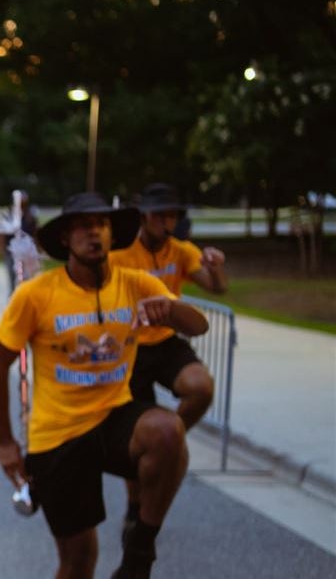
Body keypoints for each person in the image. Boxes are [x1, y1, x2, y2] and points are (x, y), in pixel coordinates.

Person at [0, 192, 208, 579]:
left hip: (113, 416)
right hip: (59, 434)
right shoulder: (36, 294)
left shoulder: (134, 283)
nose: (94, 233)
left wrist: (170, 310)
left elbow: (198, 326)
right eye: (83, 226)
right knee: (79, 561)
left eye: (101, 225)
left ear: (112, 235)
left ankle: (139, 551)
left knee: (168, 432)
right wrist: (5, 442)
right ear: (65, 239)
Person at [110, 183, 225, 533]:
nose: (167, 222)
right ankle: (135, 504)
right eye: (160, 215)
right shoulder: (121, 252)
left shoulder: (181, 250)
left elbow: (216, 287)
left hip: (165, 340)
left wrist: (216, 266)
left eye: (173, 215)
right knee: (133, 436)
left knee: (201, 387)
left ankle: (168, 438)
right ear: (144, 216)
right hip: (131, 346)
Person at [0, 190, 38, 293]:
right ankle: (14, 298)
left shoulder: (30, 216)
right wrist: (2, 250)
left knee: (26, 278)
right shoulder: (8, 216)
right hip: (11, 252)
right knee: (13, 278)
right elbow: (1, 234)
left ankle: (24, 297)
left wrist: (36, 250)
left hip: (27, 252)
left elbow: (35, 234)